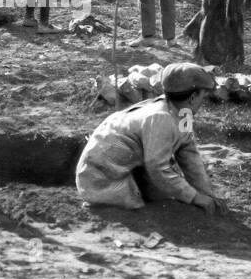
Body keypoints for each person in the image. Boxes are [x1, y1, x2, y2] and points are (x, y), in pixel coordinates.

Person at [75, 62, 229, 215]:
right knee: (144, 211)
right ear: (193, 97)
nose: (203, 101)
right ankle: (100, 206)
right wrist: (195, 197)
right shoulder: (160, 118)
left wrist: (206, 193)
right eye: (203, 95)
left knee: (163, 195)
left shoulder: (183, 113)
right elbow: (158, 168)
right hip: (99, 177)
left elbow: (188, 151)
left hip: (127, 167)